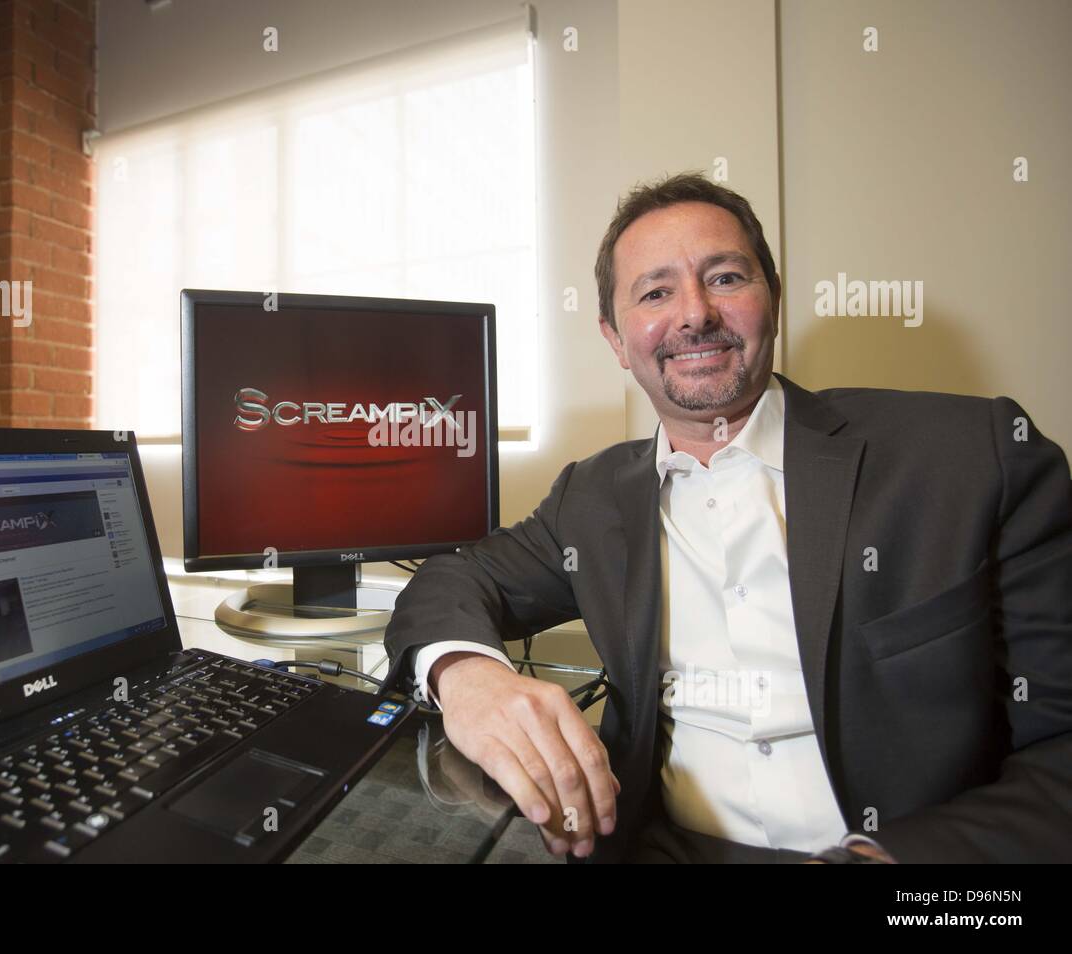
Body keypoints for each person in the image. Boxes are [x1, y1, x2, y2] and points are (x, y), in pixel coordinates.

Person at [382, 172, 1072, 863]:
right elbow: (453, 580)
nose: (694, 314)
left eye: (725, 278)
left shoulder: (973, 458)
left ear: (773, 297)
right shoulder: (588, 500)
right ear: (617, 341)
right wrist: (469, 677)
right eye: (655, 293)